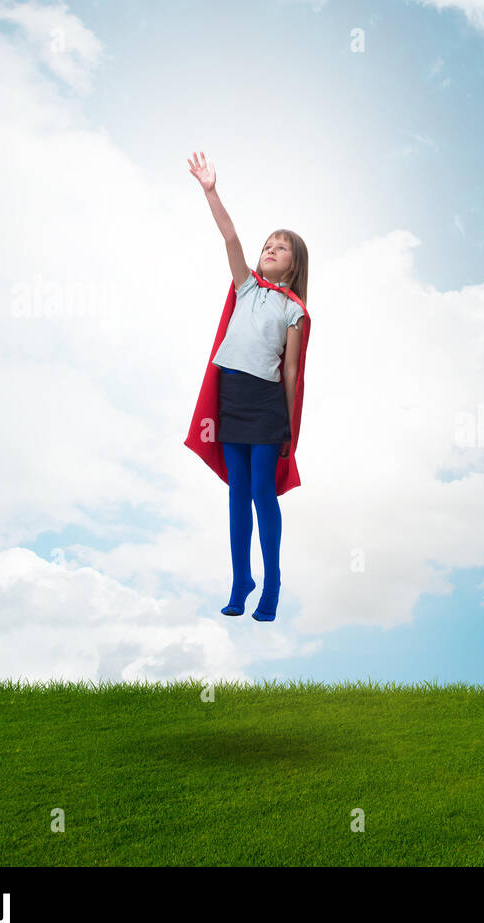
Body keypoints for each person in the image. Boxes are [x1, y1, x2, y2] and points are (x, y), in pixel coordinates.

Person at [186, 150, 309, 622]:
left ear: (293, 267)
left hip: (265, 406)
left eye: (281, 248)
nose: (270, 249)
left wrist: (287, 430)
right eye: (268, 244)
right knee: (237, 494)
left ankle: (272, 585)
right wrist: (211, 191)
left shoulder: (293, 309)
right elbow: (231, 236)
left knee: (261, 492)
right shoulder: (246, 287)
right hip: (232, 398)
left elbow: (292, 373)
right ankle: (241, 581)